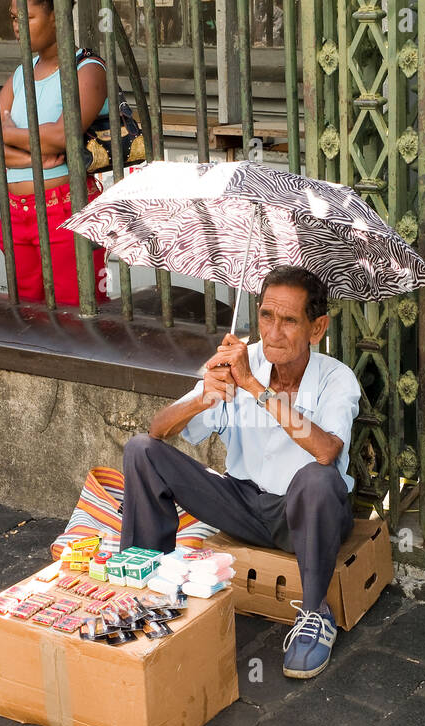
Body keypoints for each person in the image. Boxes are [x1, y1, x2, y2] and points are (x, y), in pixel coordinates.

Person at [121, 266, 360, 679]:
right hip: (242, 503)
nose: (273, 332)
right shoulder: (239, 363)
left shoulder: (336, 379)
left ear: (317, 328)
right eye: (266, 316)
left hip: (304, 515)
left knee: (318, 478)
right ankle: (149, 582)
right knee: (142, 451)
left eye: (289, 321)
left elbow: (325, 451)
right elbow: (157, 430)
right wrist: (203, 395)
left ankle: (315, 612)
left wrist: (255, 388)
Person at [0, 0, 109, 305]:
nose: (17, 27)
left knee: (77, 314)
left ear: (56, 16)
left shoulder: (87, 69)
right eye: (13, 19)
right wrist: (32, 158)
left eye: (26, 18)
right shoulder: (23, 73)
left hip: (66, 211)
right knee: (27, 318)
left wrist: (7, 131)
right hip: (15, 215)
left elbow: (60, 136)